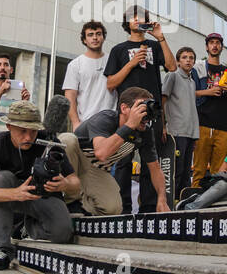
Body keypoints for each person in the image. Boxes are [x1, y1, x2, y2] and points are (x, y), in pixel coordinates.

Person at [0, 100, 77, 272]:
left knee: (63, 233)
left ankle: (27, 228)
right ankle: (0, 247)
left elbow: (76, 183)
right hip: (11, 194)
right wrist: (15, 193)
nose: (28, 137)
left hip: (43, 196)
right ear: (9, 126)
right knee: (2, 178)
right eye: (23, 131)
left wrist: (65, 184)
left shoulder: (49, 142)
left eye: (33, 131)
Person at [104, 5, 175, 214]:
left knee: (150, 162)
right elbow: (110, 84)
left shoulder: (154, 45)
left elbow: (172, 67)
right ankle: (122, 209)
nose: (138, 20)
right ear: (127, 23)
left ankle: (150, 208)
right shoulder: (118, 50)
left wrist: (161, 37)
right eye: (134, 17)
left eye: (142, 17)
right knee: (123, 163)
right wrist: (131, 63)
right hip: (127, 114)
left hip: (152, 113)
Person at [60, 86, 169, 217]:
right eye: (140, 107)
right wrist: (129, 125)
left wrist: (162, 199)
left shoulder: (144, 132)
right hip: (74, 163)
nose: (145, 113)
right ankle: (70, 202)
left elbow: (155, 169)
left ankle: (80, 205)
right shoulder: (105, 118)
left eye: (147, 109)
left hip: (97, 170)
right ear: (124, 108)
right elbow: (102, 153)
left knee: (112, 209)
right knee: (67, 140)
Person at [191, 32, 227, 189]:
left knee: (219, 171)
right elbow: (189, 93)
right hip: (202, 123)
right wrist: (208, 92)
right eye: (212, 42)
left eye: (218, 43)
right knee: (199, 169)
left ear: (222, 47)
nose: (215, 45)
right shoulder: (198, 68)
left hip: (223, 125)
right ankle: (193, 202)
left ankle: (217, 207)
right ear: (207, 46)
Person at [161, 46, 199, 194]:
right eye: (184, 57)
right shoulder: (173, 76)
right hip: (176, 132)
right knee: (175, 172)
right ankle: (170, 206)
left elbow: (190, 109)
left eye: (191, 58)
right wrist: (163, 126)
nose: (188, 60)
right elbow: (162, 102)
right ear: (177, 61)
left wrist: (195, 135)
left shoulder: (192, 81)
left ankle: (182, 204)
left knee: (185, 173)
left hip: (190, 133)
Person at [62, 21, 113, 130]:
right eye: (90, 35)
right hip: (87, 123)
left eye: (98, 34)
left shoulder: (113, 60)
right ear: (84, 40)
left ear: (103, 37)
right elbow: (70, 97)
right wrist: (76, 123)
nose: (95, 38)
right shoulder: (75, 65)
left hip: (112, 122)